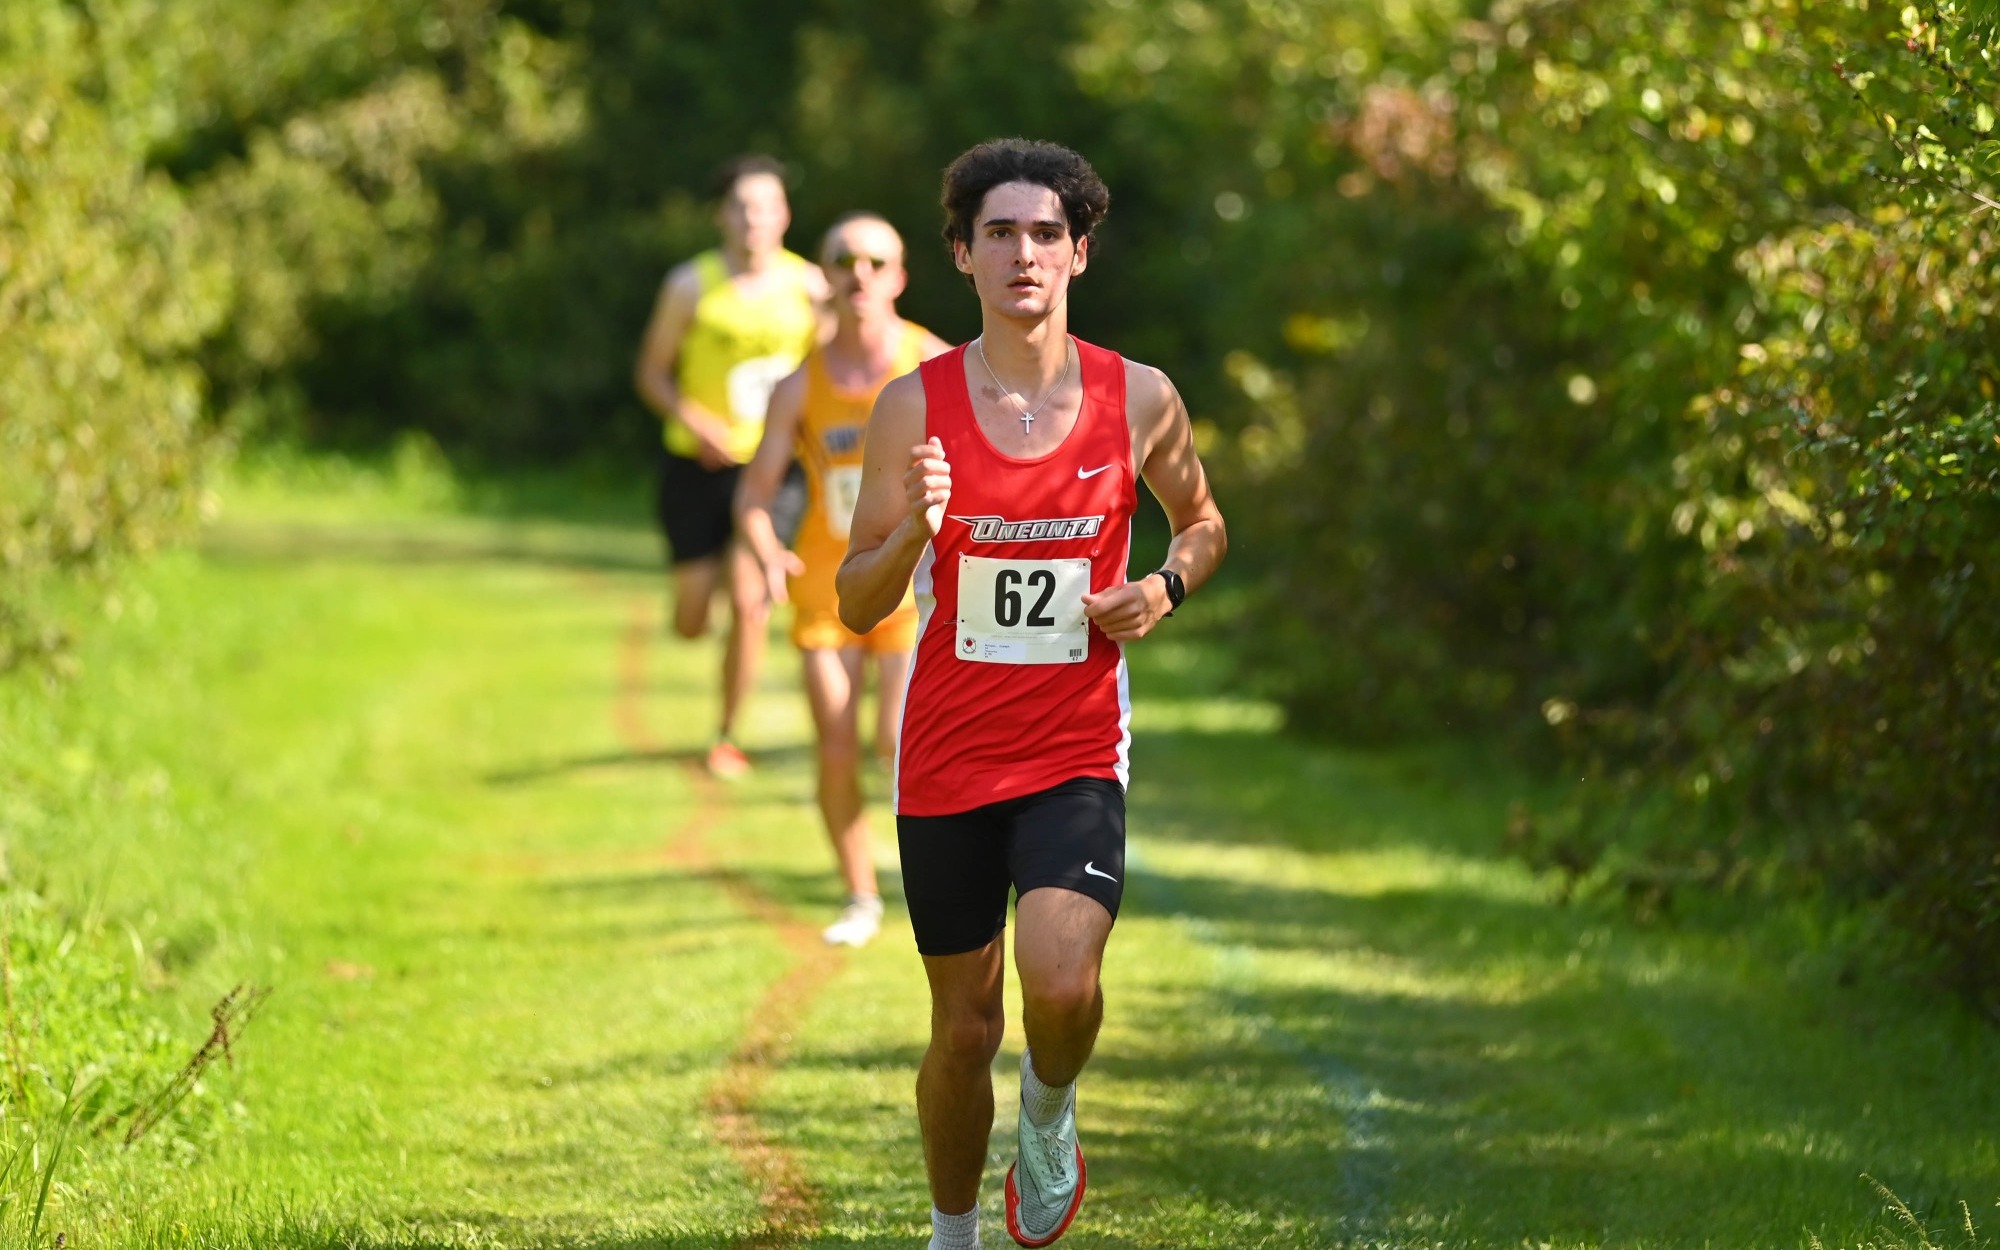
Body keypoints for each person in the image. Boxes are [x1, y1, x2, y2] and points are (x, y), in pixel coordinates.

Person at [836, 140, 1227, 1249]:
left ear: (1078, 253)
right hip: (949, 754)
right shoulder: (911, 408)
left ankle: (1049, 1113)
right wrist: (915, 523)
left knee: (1060, 982)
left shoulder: (1136, 395)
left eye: (1044, 233)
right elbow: (857, 600)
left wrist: (1160, 585)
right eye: (997, 232)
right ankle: (950, 1232)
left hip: (1072, 749)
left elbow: (1203, 522)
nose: (1023, 253)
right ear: (959, 254)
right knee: (962, 1030)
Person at [736, 212, 951, 947]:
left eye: (873, 262)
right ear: (823, 277)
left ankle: (941, 875)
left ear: (898, 276)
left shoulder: (933, 361)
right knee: (835, 741)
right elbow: (755, 493)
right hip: (829, 585)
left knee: (894, 742)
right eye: (842, 261)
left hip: (913, 587)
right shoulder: (802, 383)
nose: (857, 274)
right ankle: (859, 894)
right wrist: (767, 551)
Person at [634, 154, 829, 778]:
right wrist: (697, 423)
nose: (754, 219)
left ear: (784, 216)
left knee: (751, 601)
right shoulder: (690, 285)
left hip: (774, 470)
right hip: (697, 467)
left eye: (767, 207)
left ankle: (725, 735)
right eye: (743, 207)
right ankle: (707, 581)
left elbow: (830, 375)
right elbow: (651, 374)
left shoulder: (812, 289)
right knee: (692, 622)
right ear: (723, 216)